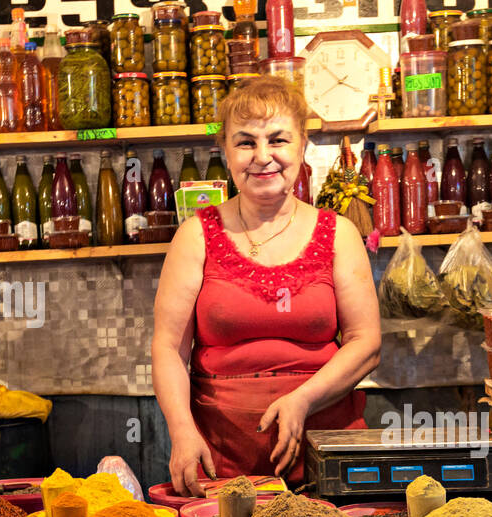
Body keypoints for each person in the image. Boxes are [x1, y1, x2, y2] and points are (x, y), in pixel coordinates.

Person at [152, 75, 380, 493]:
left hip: (326, 448)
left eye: (277, 140)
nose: (263, 157)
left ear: (302, 145)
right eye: (245, 143)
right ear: (225, 151)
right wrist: (182, 431)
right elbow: (168, 348)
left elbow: (366, 343)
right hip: (221, 453)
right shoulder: (196, 235)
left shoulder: (339, 233)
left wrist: (303, 399)